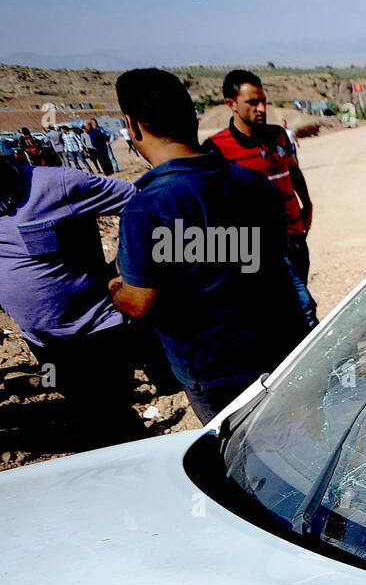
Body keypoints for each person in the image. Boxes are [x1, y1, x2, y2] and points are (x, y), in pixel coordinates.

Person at [109, 68, 310, 424]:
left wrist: (115, 289)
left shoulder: (148, 209)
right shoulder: (254, 185)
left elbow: (140, 302)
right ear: (192, 117)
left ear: (133, 125)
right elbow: (270, 260)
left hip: (213, 370)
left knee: (239, 460)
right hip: (277, 351)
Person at [0, 158, 147, 444]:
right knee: (84, 407)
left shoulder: (58, 185)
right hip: (40, 340)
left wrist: (128, 265)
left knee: (112, 414)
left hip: (95, 332)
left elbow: (139, 204)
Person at [207, 70, 318, 328]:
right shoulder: (217, 148)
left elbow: (293, 169)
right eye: (252, 102)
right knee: (305, 310)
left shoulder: (277, 135)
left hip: (296, 238)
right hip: (264, 247)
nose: (261, 108)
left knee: (294, 306)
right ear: (231, 104)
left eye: (263, 101)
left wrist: (307, 203)